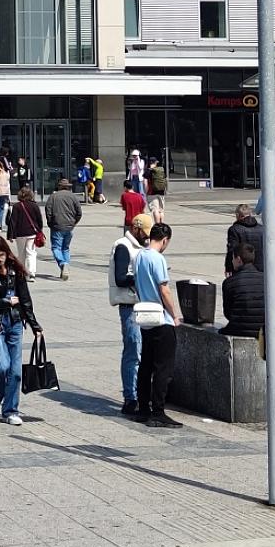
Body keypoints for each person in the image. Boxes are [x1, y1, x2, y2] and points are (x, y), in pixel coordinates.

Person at [0, 235, 40, 426]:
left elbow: (26, 299)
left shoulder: (15, 271)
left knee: (15, 371)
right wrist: (3, 302)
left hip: (14, 323)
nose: (0, 259)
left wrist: (35, 325)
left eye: (2, 254)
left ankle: (11, 410)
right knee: (0, 365)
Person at [131, 222, 182, 427]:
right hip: (161, 319)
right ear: (165, 240)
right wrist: (175, 315)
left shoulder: (139, 256)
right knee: (163, 367)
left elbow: (135, 283)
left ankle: (143, 408)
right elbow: (164, 289)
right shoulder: (158, 258)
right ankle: (158, 411)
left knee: (146, 365)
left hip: (145, 318)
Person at [108, 212, 151, 417]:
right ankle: (130, 397)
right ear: (136, 228)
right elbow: (120, 277)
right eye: (145, 232)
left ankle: (139, 393)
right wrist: (140, 277)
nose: (147, 237)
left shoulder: (139, 247)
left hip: (140, 304)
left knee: (142, 351)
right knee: (133, 349)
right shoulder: (123, 246)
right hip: (129, 305)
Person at [221, 241, 275, 339]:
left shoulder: (229, 283)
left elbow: (228, 312)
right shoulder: (269, 280)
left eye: (232, 258)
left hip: (239, 330)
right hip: (266, 330)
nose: (232, 261)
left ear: (238, 260)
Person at [45, 177, 83, 280]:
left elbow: (48, 211)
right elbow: (79, 212)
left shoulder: (53, 197)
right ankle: (66, 266)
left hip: (57, 226)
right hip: (69, 227)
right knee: (65, 248)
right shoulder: (73, 197)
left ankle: (63, 264)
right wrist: (74, 223)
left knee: (56, 247)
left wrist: (50, 222)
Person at [5, 185, 44, 279]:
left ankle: (21, 272)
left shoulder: (17, 206)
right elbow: (39, 220)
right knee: (31, 253)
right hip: (32, 233)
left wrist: (10, 235)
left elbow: (13, 221)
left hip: (20, 234)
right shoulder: (34, 205)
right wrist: (39, 230)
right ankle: (31, 273)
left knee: (21, 254)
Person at [226, 204, 265, 273]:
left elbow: (232, 250)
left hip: (241, 267)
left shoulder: (234, 229)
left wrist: (229, 267)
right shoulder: (261, 229)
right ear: (250, 214)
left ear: (237, 215)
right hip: (260, 266)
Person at [145, 158, 168, 222]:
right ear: (156, 162)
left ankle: (157, 225)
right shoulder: (161, 170)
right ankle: (162, 224)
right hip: (161, 192)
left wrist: (146, 192)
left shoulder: (148, 171)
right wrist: (165, 190)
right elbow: (165, 180)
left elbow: (145, 182)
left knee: (155, 210)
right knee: (161, 210)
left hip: (152, 192)